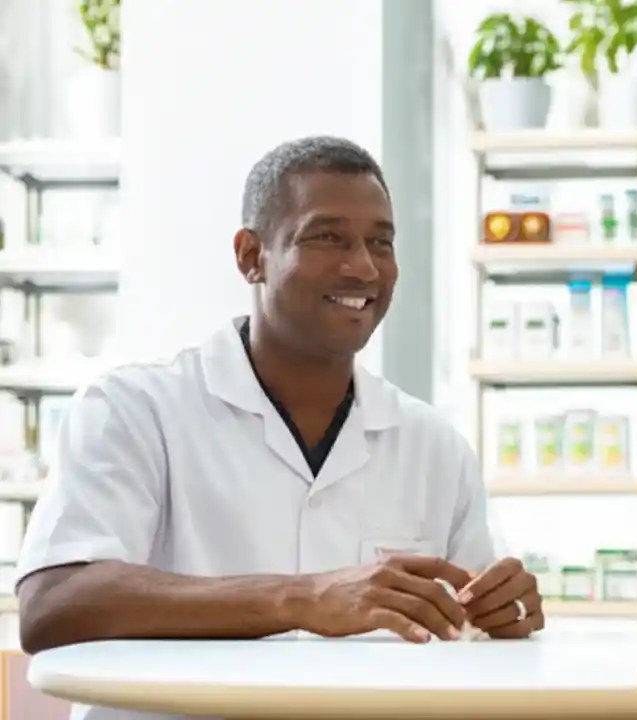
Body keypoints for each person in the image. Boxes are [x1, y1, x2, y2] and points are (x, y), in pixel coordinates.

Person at [16, 137, 543, 717]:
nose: (363, 266)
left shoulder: (432, 445)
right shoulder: (134, 410)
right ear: (251, 255)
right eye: (327, 237)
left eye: (381, 242)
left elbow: (468, 640)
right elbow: (53, 607)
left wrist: (503, 616)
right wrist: (302, 597)